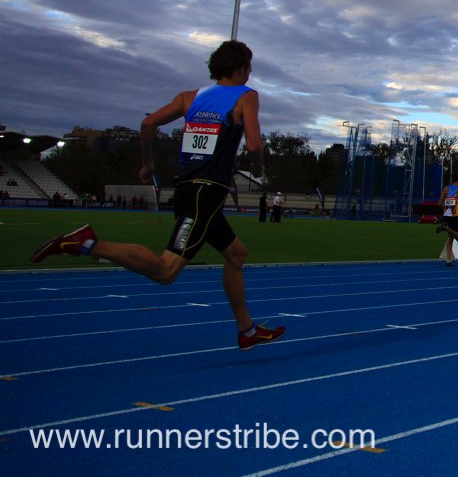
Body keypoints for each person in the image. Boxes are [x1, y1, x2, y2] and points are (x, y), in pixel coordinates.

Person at [30, 40, 284, 350]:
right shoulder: (247, 97)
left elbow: (148, 123)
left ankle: (247, 332)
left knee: (236, 254)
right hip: (206, 194)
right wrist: (258, 167)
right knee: (166, 270)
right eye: (249, 67)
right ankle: (83, 243)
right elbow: (255, 145)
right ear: (241, 68)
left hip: (188, 189)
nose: (251, 72)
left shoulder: (189, 98)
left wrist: (147, 164)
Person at [435, 172, 458, 266]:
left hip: (446, 215)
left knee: (450, 238)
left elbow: (439, 203)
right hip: (456, 215)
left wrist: (446, 205)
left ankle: (449, 260)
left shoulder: (446, 189)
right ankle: (446, 227)